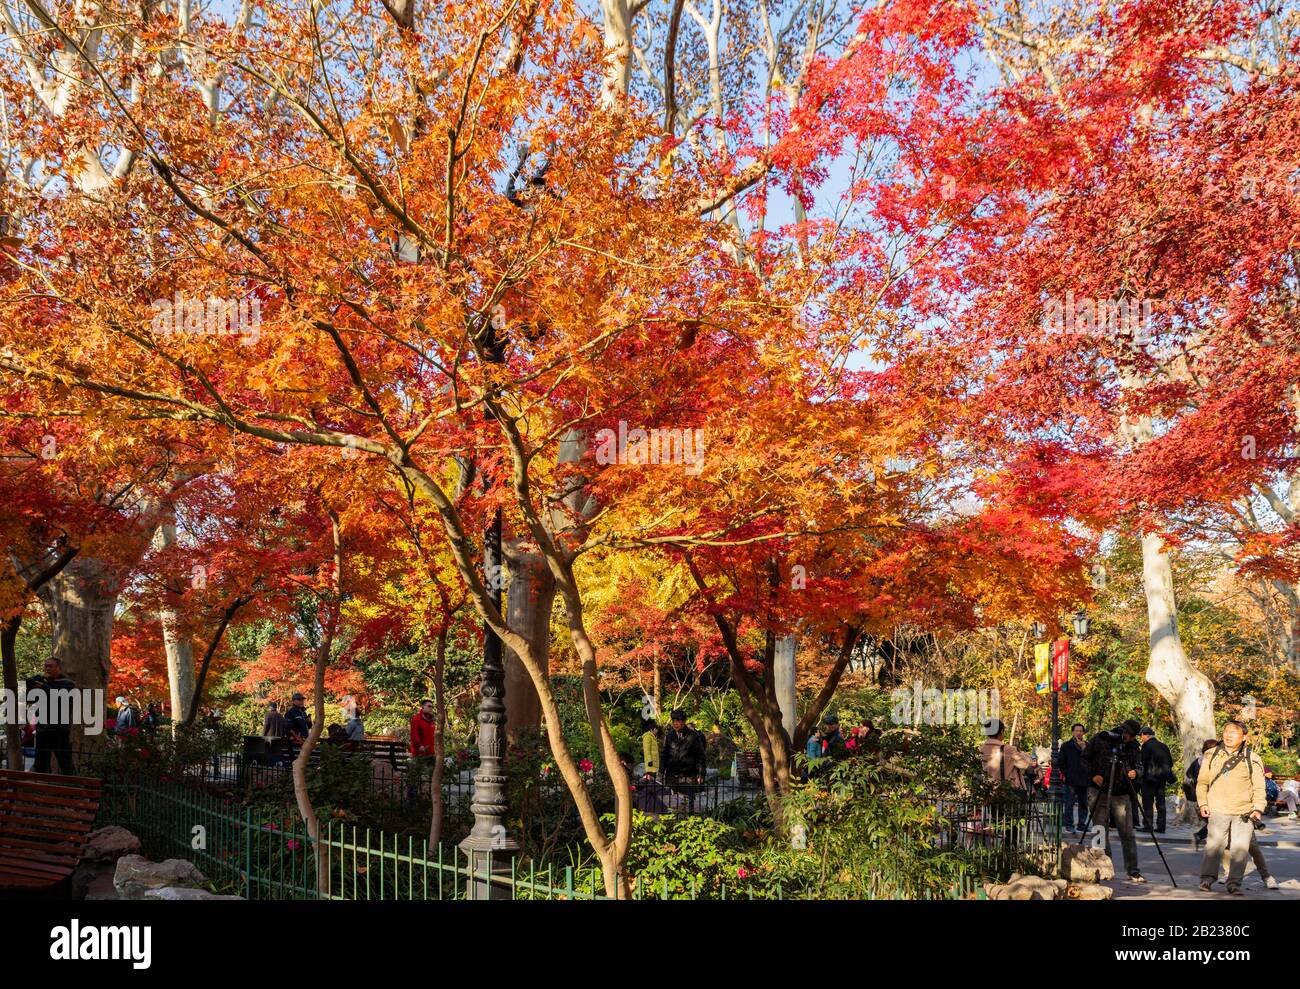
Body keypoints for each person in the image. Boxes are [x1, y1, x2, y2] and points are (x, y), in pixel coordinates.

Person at [1196, 719, 1267, 895]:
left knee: (1240, 850)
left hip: (1244, 812)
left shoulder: (1253, 758)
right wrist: (1203, 803)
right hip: (1217, 809)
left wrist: (1258, 808)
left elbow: (1259, 786)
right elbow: (1202, 782)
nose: (1228, 735)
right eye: (1227, 731)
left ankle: (1234, 884)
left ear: (1244, 737)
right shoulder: (1211, 754)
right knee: (1213, 846)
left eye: (1234, 733)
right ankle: (1207, 879)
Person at [1083, 719, 1145, 883]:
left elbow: (1140, 766)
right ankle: (1103, 867)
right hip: (1098, 789)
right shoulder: (1101, 738)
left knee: (1127, 833)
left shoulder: (1133, 746)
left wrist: (1135, 773)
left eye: (1131, 736)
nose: (1128, 738)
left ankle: (1133, 870)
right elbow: (1084, 759)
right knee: (1099, 830)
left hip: (1121, 792)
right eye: (1128, 735)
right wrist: (1093, 775)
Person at [28, 657, 77, 775]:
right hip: (43, 729)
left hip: (59, 730)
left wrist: (43, 687)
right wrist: (31, 685)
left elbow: (60, 698)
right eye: (46, 666)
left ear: (58, 668)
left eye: (50, 666)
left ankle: (71, 787)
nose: (47, 668)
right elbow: (30, 700)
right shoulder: (43, 683)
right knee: (41, 763)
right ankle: (41, 788)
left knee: (65, 763)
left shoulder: (68, 683)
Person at [980, 718, 1036, 793]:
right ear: (1001, 731)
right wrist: (1023, 754)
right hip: (1009, 792)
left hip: (989, 790)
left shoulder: (982, 749)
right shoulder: (1008, 749)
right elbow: (1026, 764)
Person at [1138, 726, 1175, 833]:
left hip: (1149, 778)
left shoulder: (1146, 746)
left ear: (1146, 735)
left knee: (1148, 803)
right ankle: (1161, 826)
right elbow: (1170, 762)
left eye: (1141, 735)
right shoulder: (1164, 746)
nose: (1141, 738)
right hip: (1162, 779)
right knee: (1161, 803)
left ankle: (1148, 826)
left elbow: (1143, 761)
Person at [1055, 722, 1090, 833]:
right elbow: (1061, 762)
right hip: (1071, 779)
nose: (1079, 733)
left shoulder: (1087, 745)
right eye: (1077, 731)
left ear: (1083, 732)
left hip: (1084, 779)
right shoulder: (1066, 746)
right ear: (1073, 732)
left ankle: (1081, 824)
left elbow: (1091, 760)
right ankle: (1069, 824)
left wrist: (1085, 748)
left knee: (1083, 803)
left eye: (1081, 731)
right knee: (1069, 803)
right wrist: (1067, 774)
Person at [661, 709, 706, 791]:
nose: (675, 723)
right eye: (673, 720)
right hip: (672, 777)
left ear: (684, 721)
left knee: (687, 802)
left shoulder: (693, 736)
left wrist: (701, 774)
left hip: (687, 777)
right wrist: (661, 771)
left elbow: (701, 756)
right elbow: (664, 754)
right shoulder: (669, 736)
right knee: (671, 802)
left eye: (678, 720)